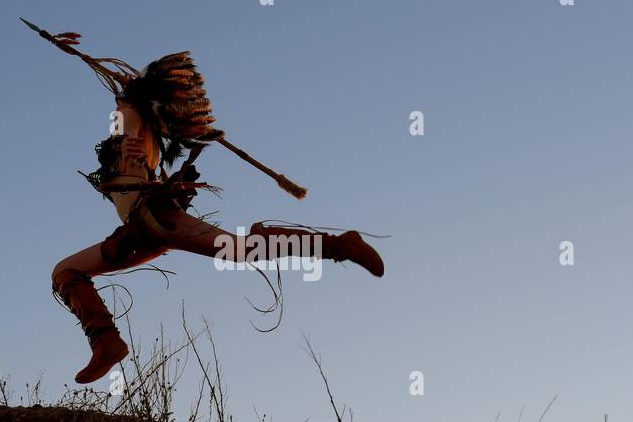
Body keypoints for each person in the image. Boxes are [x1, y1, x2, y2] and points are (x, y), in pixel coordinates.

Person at [27, 23, 384, 384]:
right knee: (68, 272)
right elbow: (125, 120)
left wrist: (126, 138)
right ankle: (106, 343)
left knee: (68, 271)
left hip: (154, 219)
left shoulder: (129, 116)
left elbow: (125, 128)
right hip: (144, 227)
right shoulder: (135, 115)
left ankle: (340, 245)